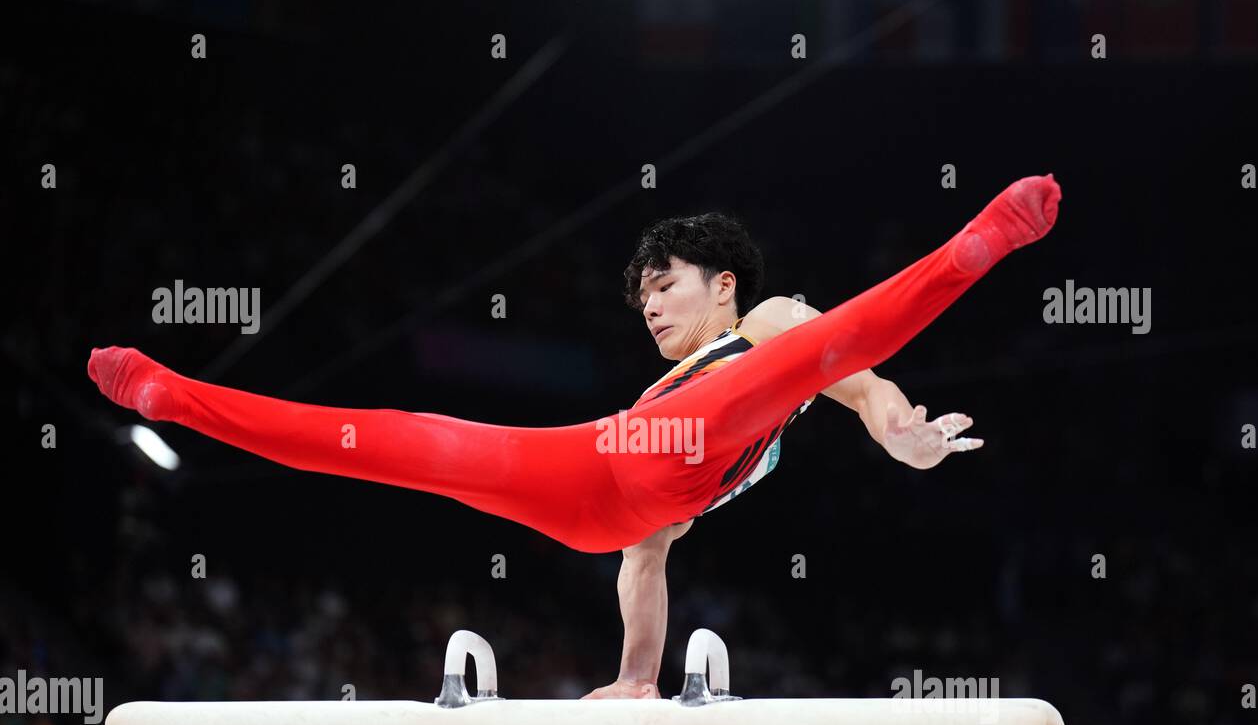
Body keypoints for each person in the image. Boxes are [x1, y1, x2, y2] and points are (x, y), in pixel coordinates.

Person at [87, 174, 1059, 564]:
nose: (649, 302)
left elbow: (848, 370)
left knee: (808, 352)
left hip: (671, 461)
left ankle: (971, 247)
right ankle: (182, 398)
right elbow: (650, 556)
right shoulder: (664, 394)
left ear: (723, 285)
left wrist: (893, 425)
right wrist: (639, 677)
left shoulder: (760, 318)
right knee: (392, 440)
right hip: (598, 477)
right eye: (639, 293)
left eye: (665, 283)